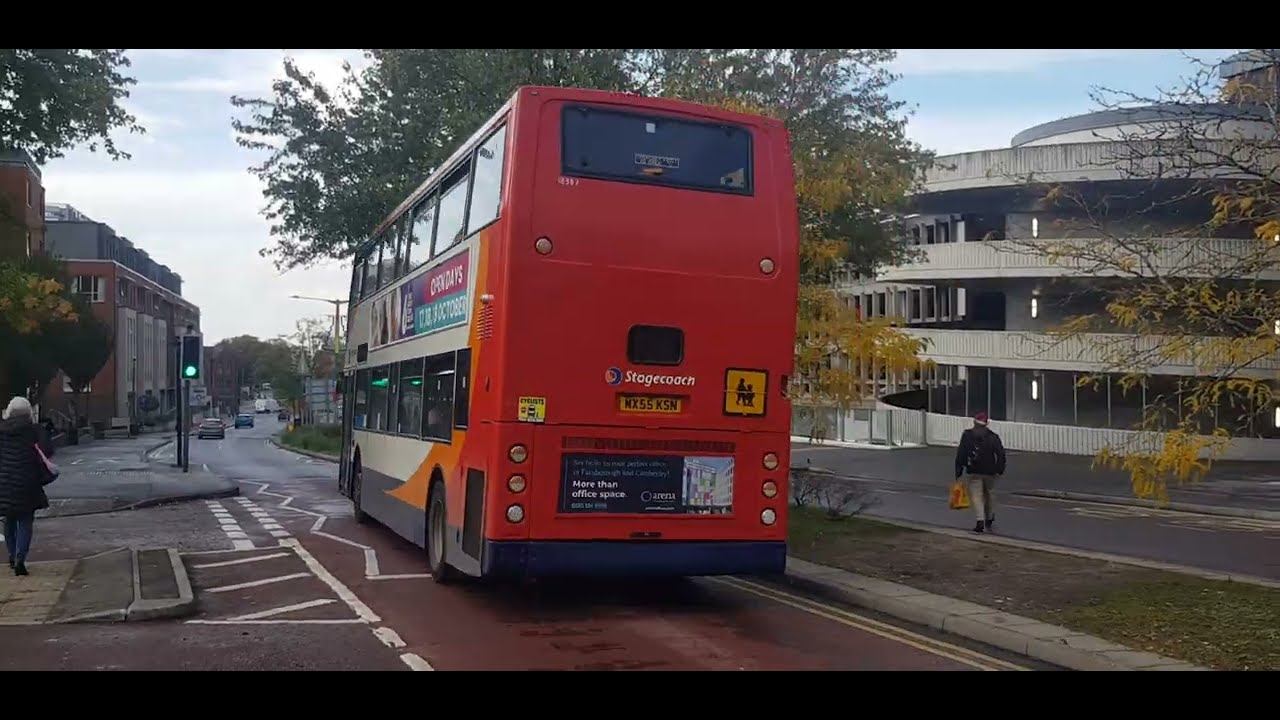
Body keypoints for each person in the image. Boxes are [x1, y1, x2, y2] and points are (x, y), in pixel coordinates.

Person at [0, 397, 55, 576]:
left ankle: (11, 555)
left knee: (9, 519)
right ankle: (20, 559)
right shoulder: (34, 431)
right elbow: (48, 451)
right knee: (25, 520)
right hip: (27, 481)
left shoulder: (1, 429)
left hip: (4, 481)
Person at [953, 411, 1006, 534]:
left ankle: (980, 520)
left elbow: (961, 453)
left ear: (974, 422)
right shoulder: (993, 437)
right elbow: (1000, 454)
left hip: (974, 470)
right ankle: (989, 516)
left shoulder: (967, 435)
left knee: (977, 496)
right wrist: (1000, 469)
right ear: (986, 424)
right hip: (990, 471)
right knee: (990, 494)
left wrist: (959, 470)